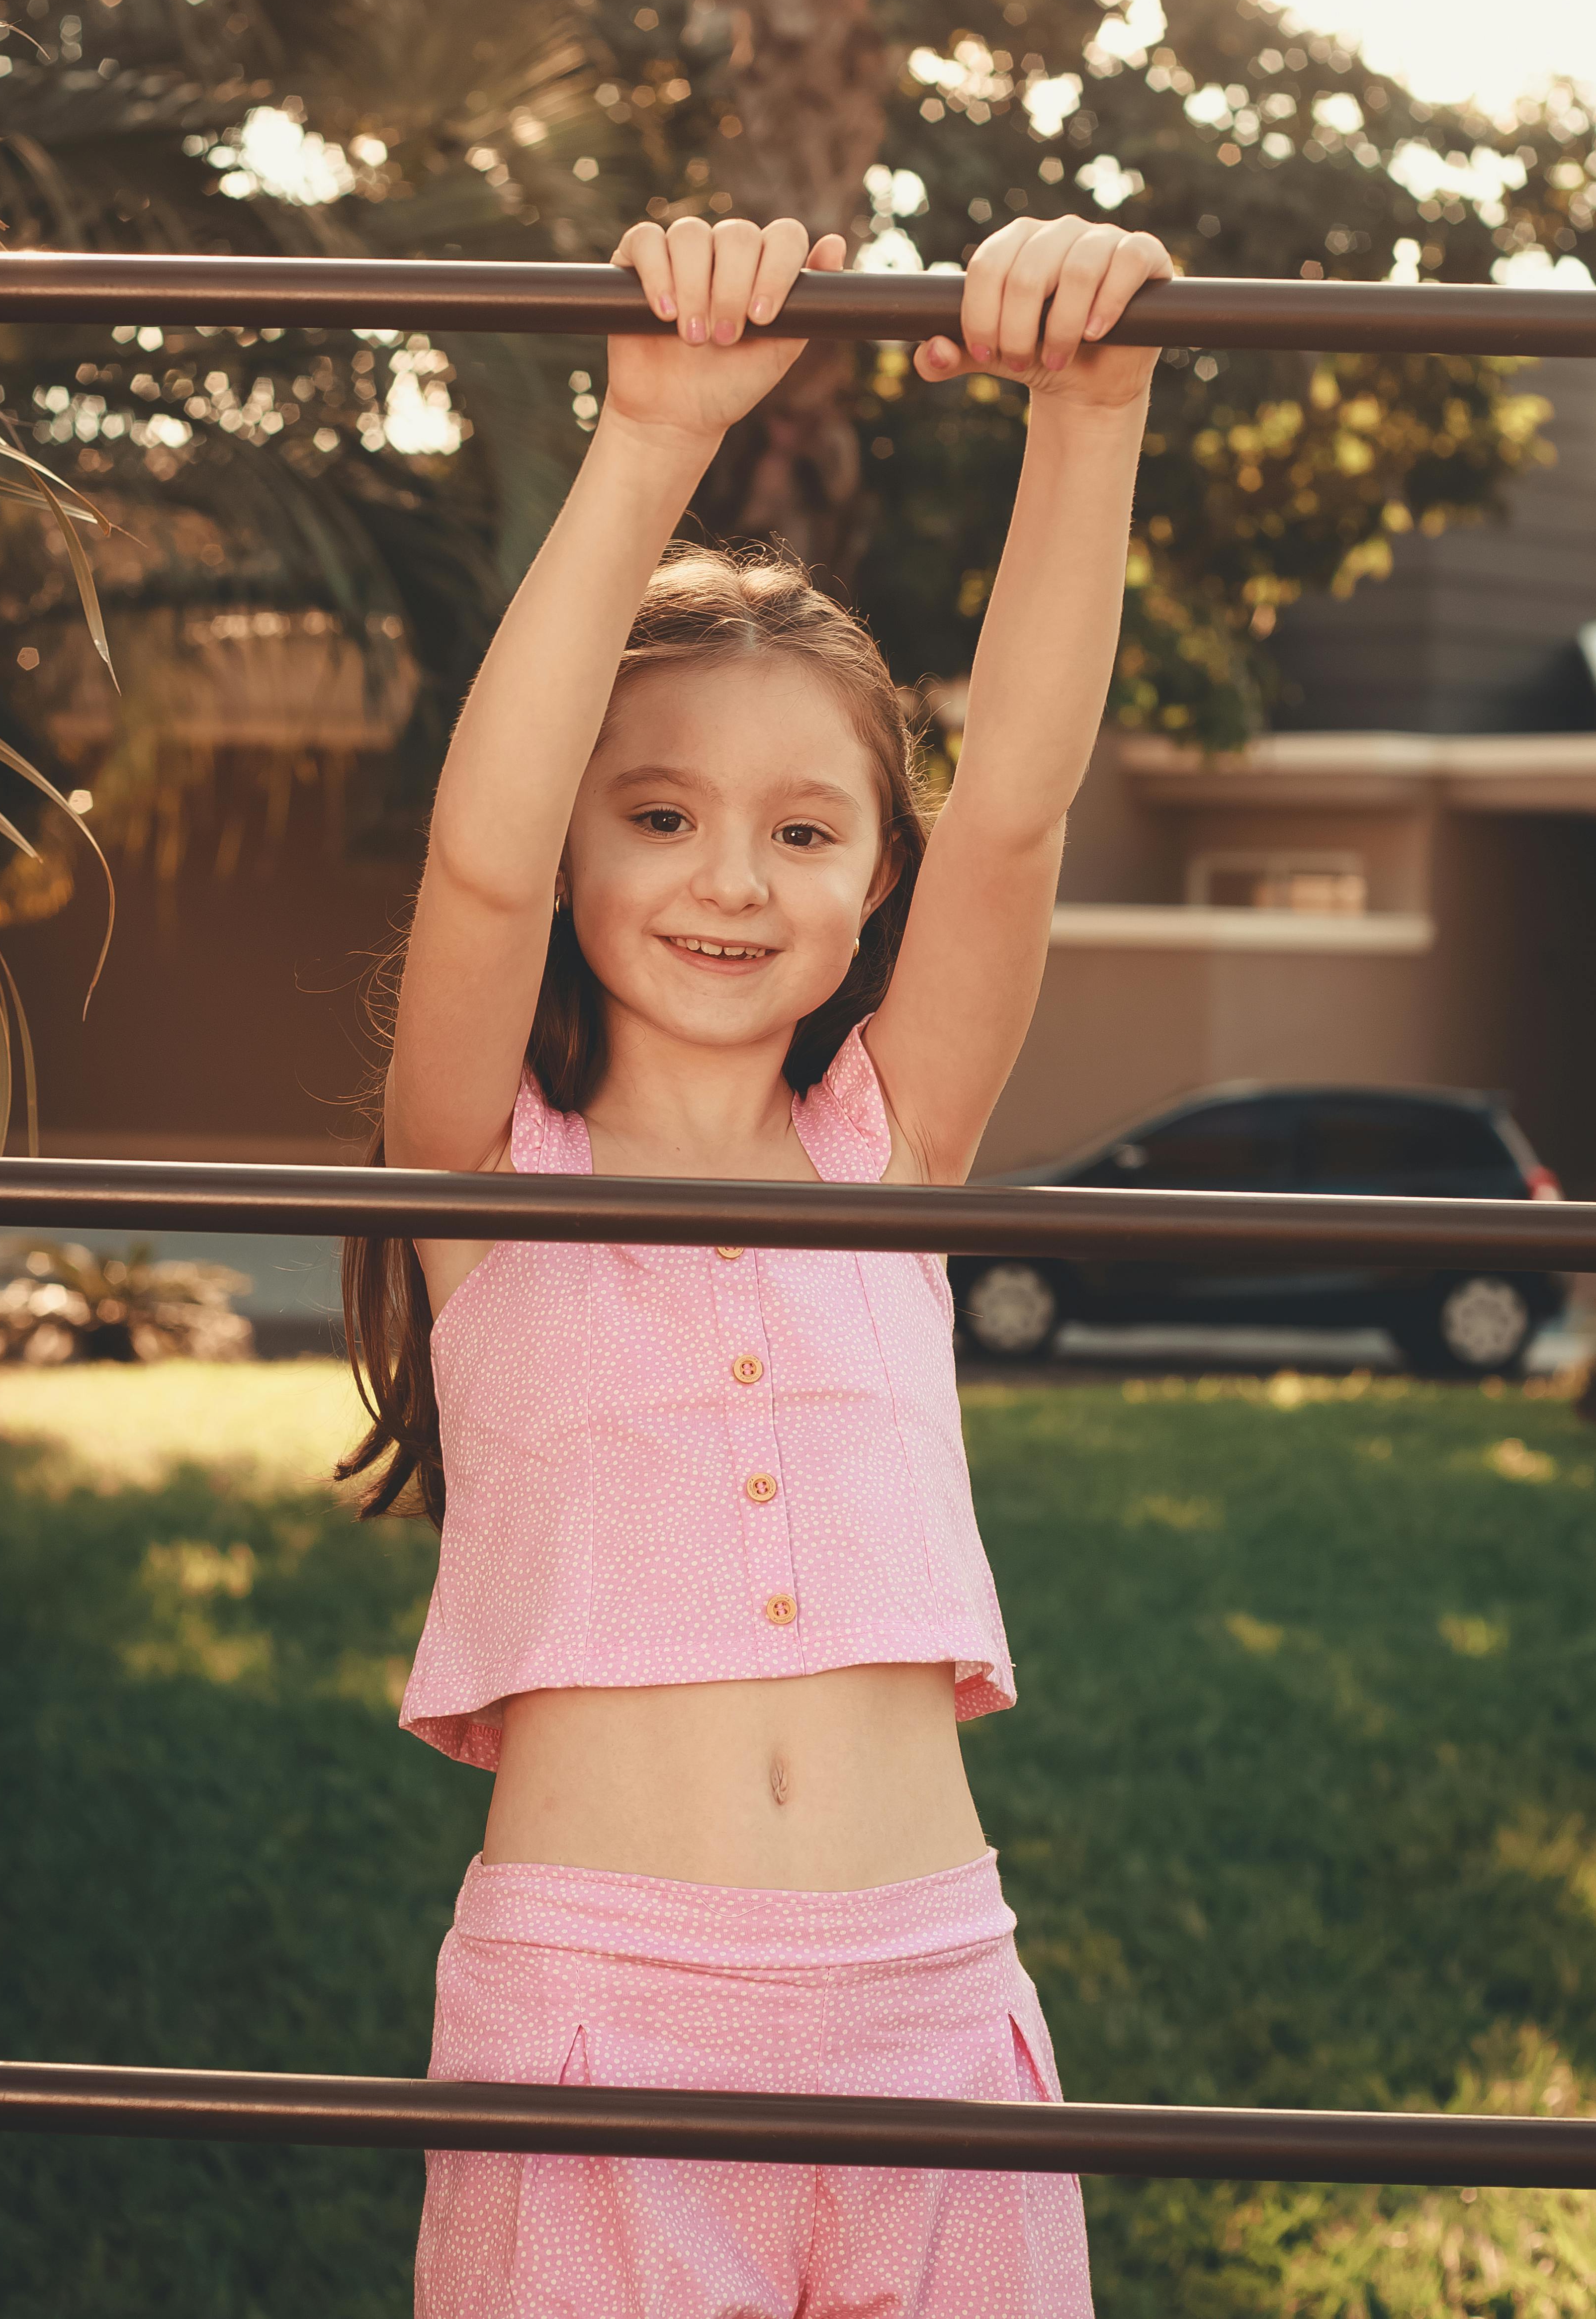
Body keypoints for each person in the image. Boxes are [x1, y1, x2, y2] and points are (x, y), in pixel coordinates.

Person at [339, 204, 1172, 2319]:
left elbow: (1017, 819)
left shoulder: (893, 1146)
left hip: (929, 2003)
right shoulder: (482, 1168)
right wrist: (652, 436)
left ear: (872, 883)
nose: (734, 876)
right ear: (583, 850)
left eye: (806, 830)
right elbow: (473, 843)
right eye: (662, 814)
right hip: (603, 2016)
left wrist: (1090, 417)